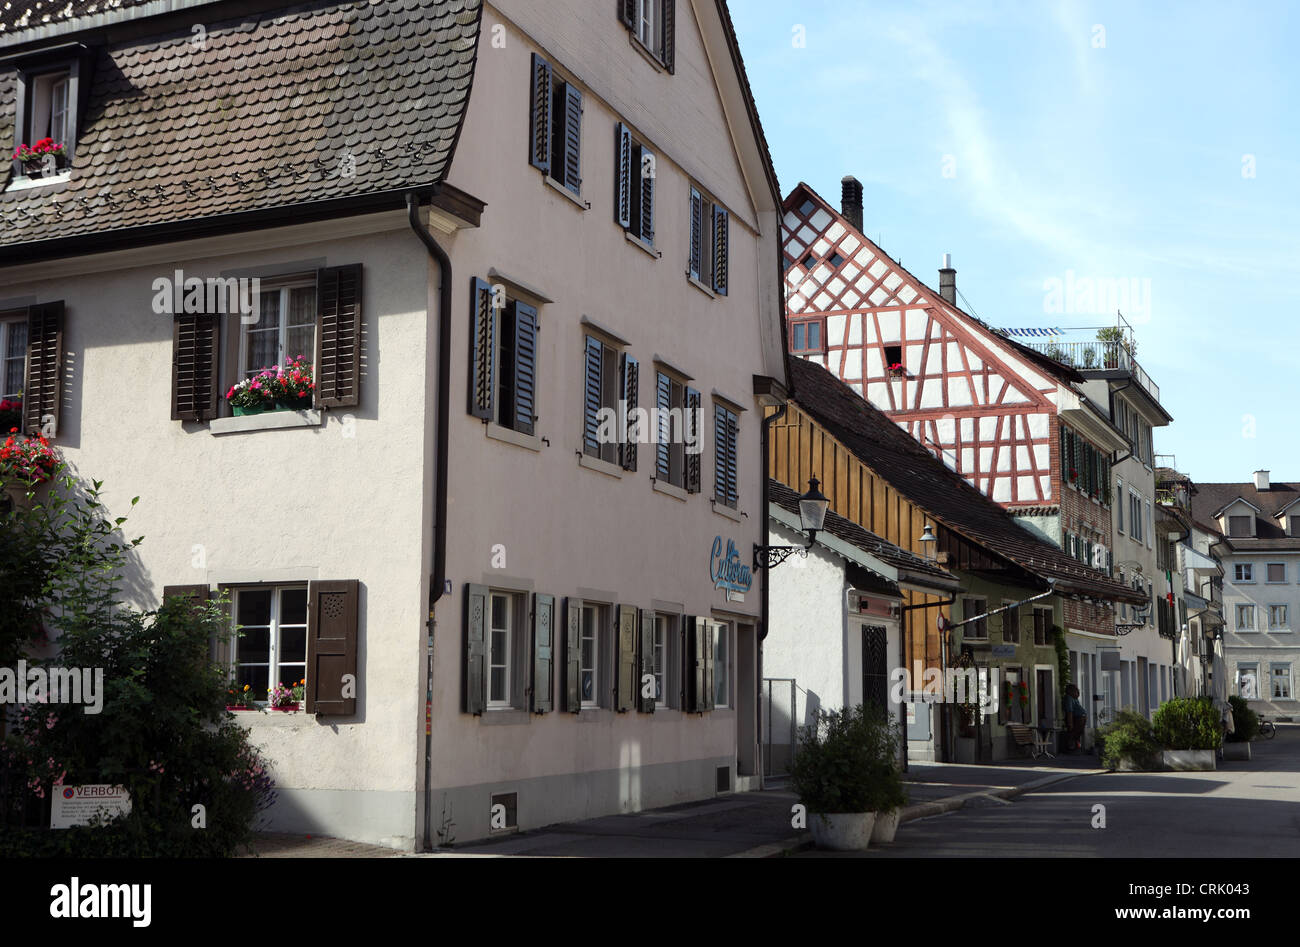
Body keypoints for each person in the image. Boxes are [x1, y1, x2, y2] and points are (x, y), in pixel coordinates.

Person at [1064, 683, 1087, 752]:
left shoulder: (1074, 698)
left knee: (1078, 734)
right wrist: (1070, 723)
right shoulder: (1069, 698)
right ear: (1071, 691)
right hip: (1077, 718)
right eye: (1076, 690)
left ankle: (1076, 748)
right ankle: (1072, 748)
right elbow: (1069, 711)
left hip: (1081, 717)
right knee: (1074, 734)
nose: (1078, 692)